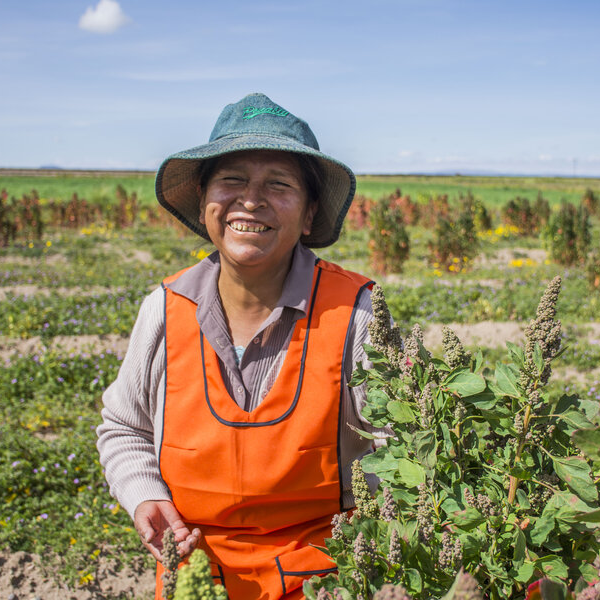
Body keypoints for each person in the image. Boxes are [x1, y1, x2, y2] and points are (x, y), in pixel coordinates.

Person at [96, 93, 387, 600]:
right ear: (204, 200)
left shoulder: (356, 313)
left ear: (309, 214)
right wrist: (143, 496)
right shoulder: (164, 309)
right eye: (231, 180)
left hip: (327, 577)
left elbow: (400, 446)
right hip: (194, 577)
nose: (251, 200)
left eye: (279, 184)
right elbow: (125, 428)